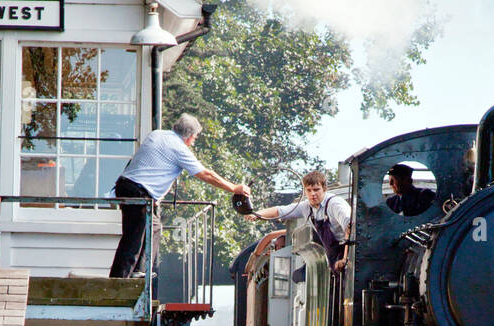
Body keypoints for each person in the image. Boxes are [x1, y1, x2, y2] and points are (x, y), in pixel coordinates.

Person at [108, 113, 251, 277]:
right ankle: (119, 279)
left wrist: (156, 196)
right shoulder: (179, 148)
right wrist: (234, 188)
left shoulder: (157, 134)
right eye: (195, 137)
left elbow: (152, 166)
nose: (194, 141)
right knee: (134, 236)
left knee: (154, 227)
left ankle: (139, 271)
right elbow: (206, 174)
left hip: (125, 185)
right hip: (138, 192)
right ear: (189, 136)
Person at [250, 171, 351, 273]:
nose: (313, 194)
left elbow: (350, 228)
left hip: (348, 252)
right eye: (309, 190)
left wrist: (344, 259)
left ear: (324, 188)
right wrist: (256, 214)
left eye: (316, 190)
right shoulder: (306, 207)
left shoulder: (335, 204)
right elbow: (280, 211)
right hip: (331, 255)